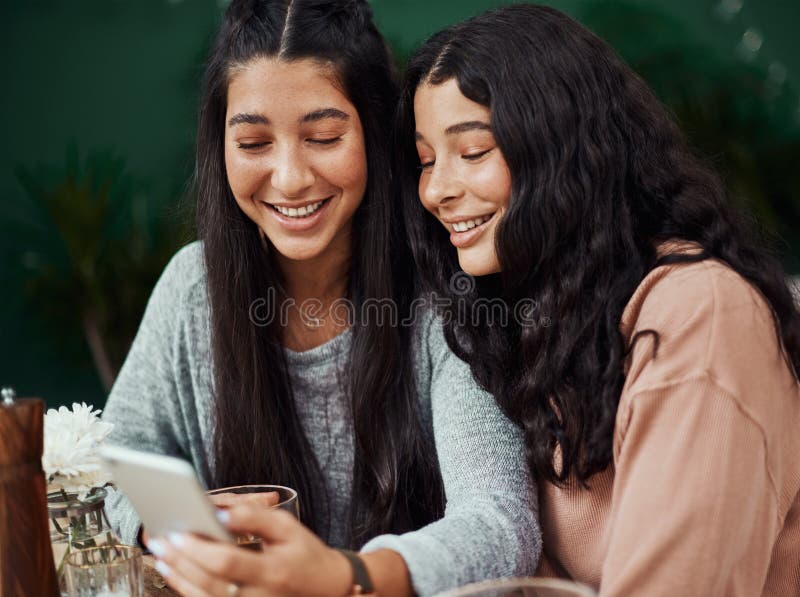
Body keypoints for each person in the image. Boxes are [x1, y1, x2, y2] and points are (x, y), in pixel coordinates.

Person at [101, 1, 541, 595]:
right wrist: (177, 527)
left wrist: (347, 576)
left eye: (324, 136)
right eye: (254, 143)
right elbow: (113, 466)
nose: (290, 178)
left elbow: (500, 522)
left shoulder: (445, 288)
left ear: (375, 129)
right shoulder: (192, 288)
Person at [399, 4, 800, 596]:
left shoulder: (700, 314)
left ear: (562, 149)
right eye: (426, 161)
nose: (437, 190)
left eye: (474, 153)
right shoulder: (543, 318)